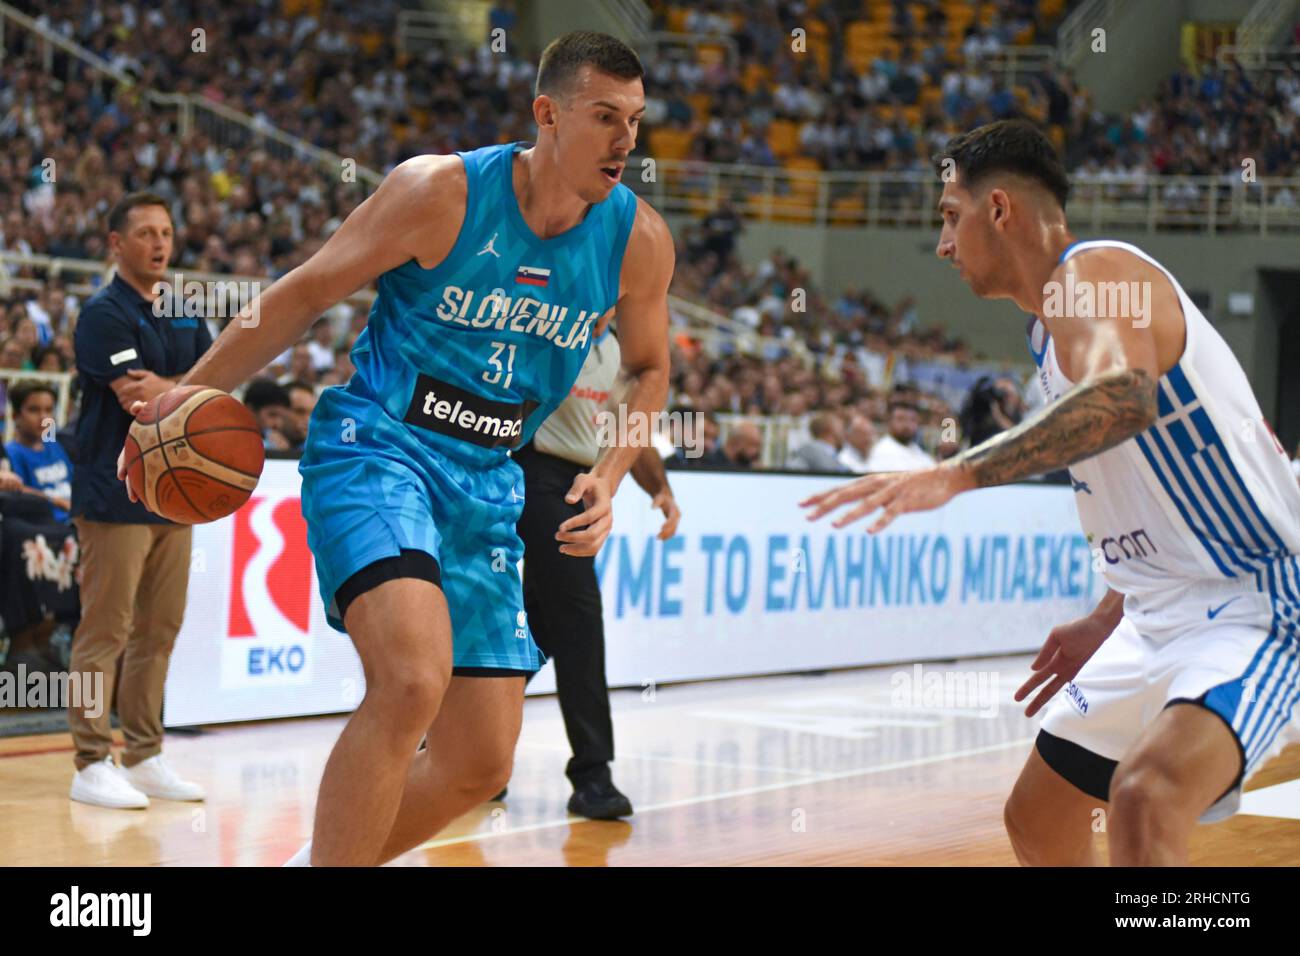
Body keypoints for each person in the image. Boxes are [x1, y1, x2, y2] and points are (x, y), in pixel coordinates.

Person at [122, 32, 674, 866]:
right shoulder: (439, 191)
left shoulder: (639, 241)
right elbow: (304, 292)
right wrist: (186, 392)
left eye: (635, 121)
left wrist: (607, 472)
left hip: (491, 481)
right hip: (379, 448)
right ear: (547, 115)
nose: (626, 142)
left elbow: (650, 368)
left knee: (478, 761)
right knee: (413, 681)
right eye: (606, 118)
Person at [802, 119, 1300, 866]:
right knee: (1040, 819)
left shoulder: (1095, 274)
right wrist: (1111, 610)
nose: (942, 245)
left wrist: (955, 473)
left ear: (998, 209)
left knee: (1147, 797)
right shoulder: (1047, 330)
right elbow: (1146, 487)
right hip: (1154, 615)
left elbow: (1124, 398)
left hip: (1256, 602)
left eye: (949, 216)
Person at [69, 192, 211, 810]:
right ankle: (90, 760)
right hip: (112, 490)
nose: (159, 243)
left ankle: (146, 754)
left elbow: (215, 382)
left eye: (166, 231)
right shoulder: (102, 313)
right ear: (115, 243)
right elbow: (138, 397)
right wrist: (188, 386)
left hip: (174, 493)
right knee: (107, 630)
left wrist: (181, 386)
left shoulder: (184, 308)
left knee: (160, 628)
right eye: (146, 233)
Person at [508, 326, 681, 818]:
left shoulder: (623, 353)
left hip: (586, 482)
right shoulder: (550, 332)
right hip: (537, 477)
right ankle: (592, 776)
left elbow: (633, 430)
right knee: (580, 620)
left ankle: (465, 748)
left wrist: (659, 490)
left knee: (538, 628)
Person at [5, 381, 73, 522]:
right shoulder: (10, 452)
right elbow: (16, 490)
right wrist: (56, 501)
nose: (43, 417)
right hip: (43, 526)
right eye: (34, 410)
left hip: (75, 521)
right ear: (15, 415)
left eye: (48, 410)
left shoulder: (54, 445)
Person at [863, 398, 934, 472]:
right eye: (901, 419)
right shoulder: (881, 451)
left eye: (912, 420)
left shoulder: (918, 451)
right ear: (889, 421)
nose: (907, 425)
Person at [696, 420, 762, 469]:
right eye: (753, 445)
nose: (756, 451)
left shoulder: (748, 466)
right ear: (738, 442)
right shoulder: (709, 465)